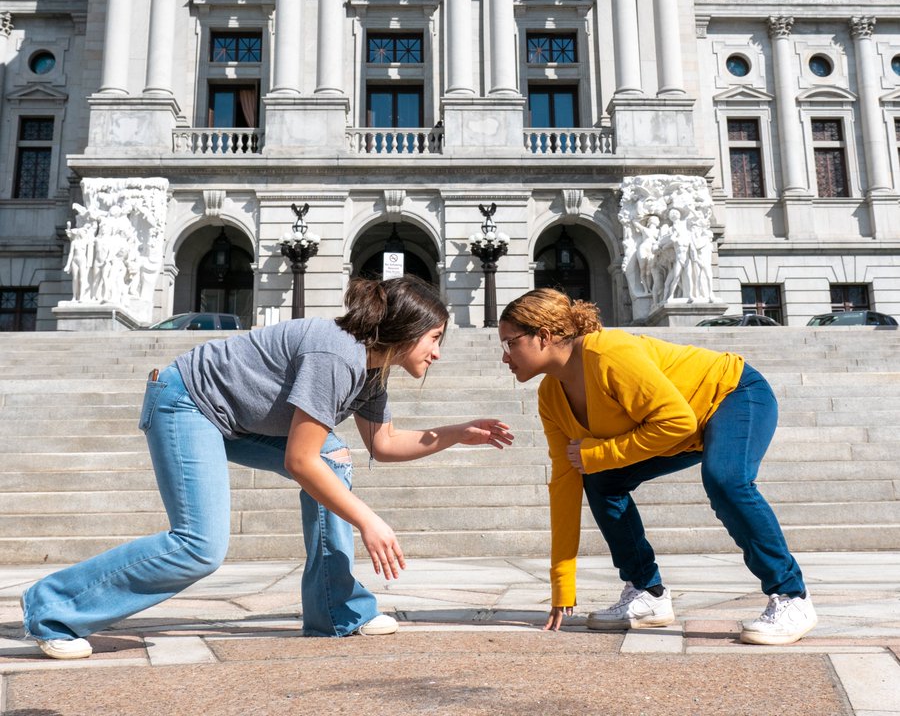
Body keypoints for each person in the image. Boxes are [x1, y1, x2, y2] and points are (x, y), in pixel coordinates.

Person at [22, 275, 513, 659]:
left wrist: (456, 433)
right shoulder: (337, 355)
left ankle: (334, 610)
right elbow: (300, 459)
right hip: (186, 401)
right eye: (434, 337)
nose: (438, 351)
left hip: (234, 416)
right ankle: (52, 608)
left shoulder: (372, 370)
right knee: (199, 546)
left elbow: (382, 444)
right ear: (406, 331)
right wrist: (368, 519)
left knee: (335, 458)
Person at [498, 288, 817, 646]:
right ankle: (648, 594)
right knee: (601, 482)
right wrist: (563, 582)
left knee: (726, 480)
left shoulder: (608, 352)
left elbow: (676, 421)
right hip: (678, 429)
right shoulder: (550, 397)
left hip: (734, 394)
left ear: (544, 336)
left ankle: (792, 597)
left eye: (510, 343)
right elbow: (564, 483)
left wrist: (598, 454)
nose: (505, 356)